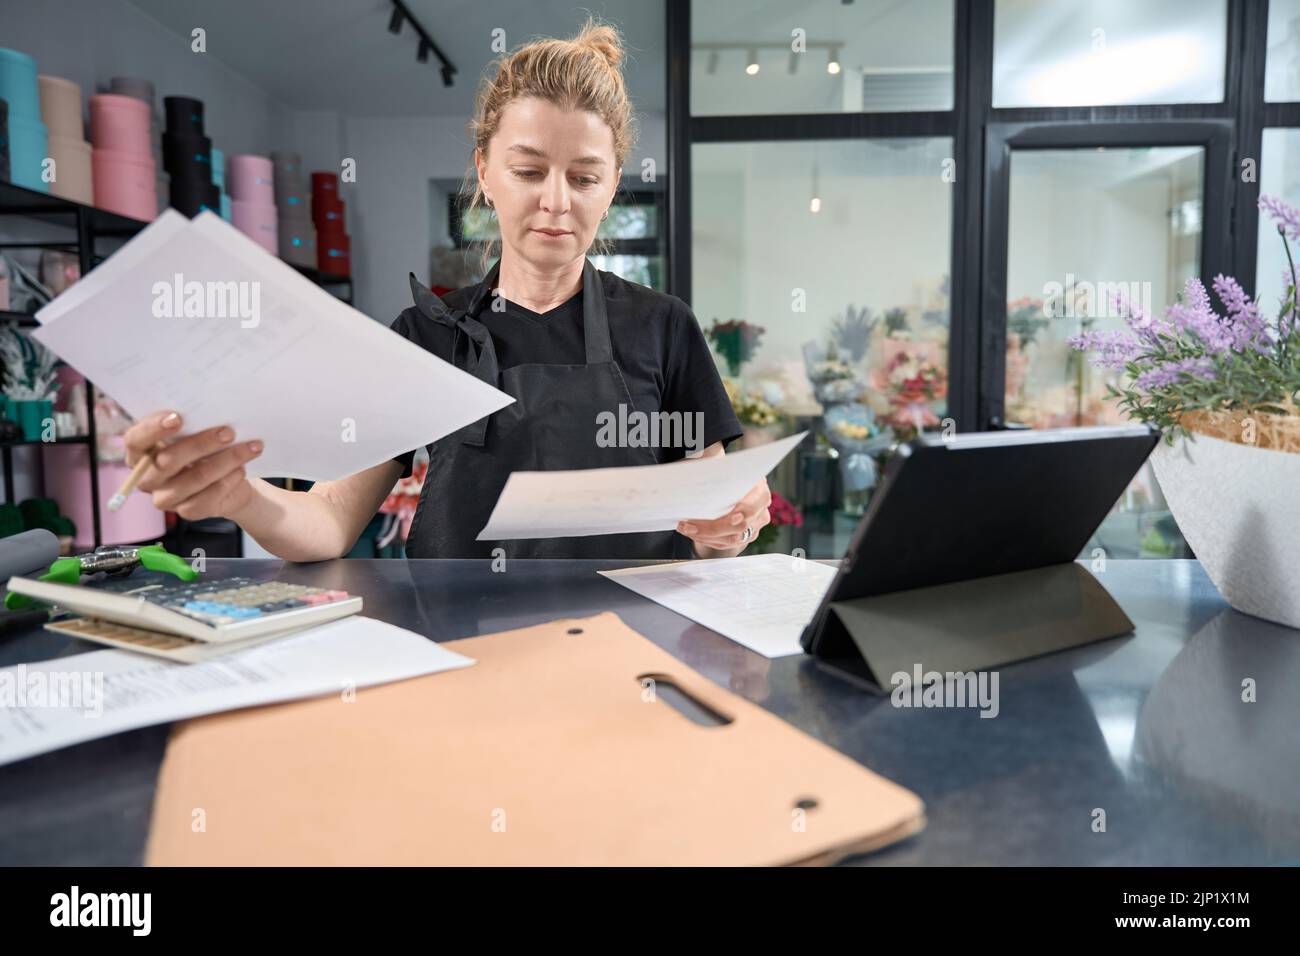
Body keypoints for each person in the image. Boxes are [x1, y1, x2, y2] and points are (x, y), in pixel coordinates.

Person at [122, 19, 772, 561]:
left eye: (583, 177)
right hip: (466, 651)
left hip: (633, 658)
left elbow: (710, 525)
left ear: (612, 185)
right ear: (486, 171)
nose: (554, 201)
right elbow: (327, 519)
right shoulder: (425, 336)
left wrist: (732, 526)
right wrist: (238, 496)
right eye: (528, 170)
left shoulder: (664, 327)